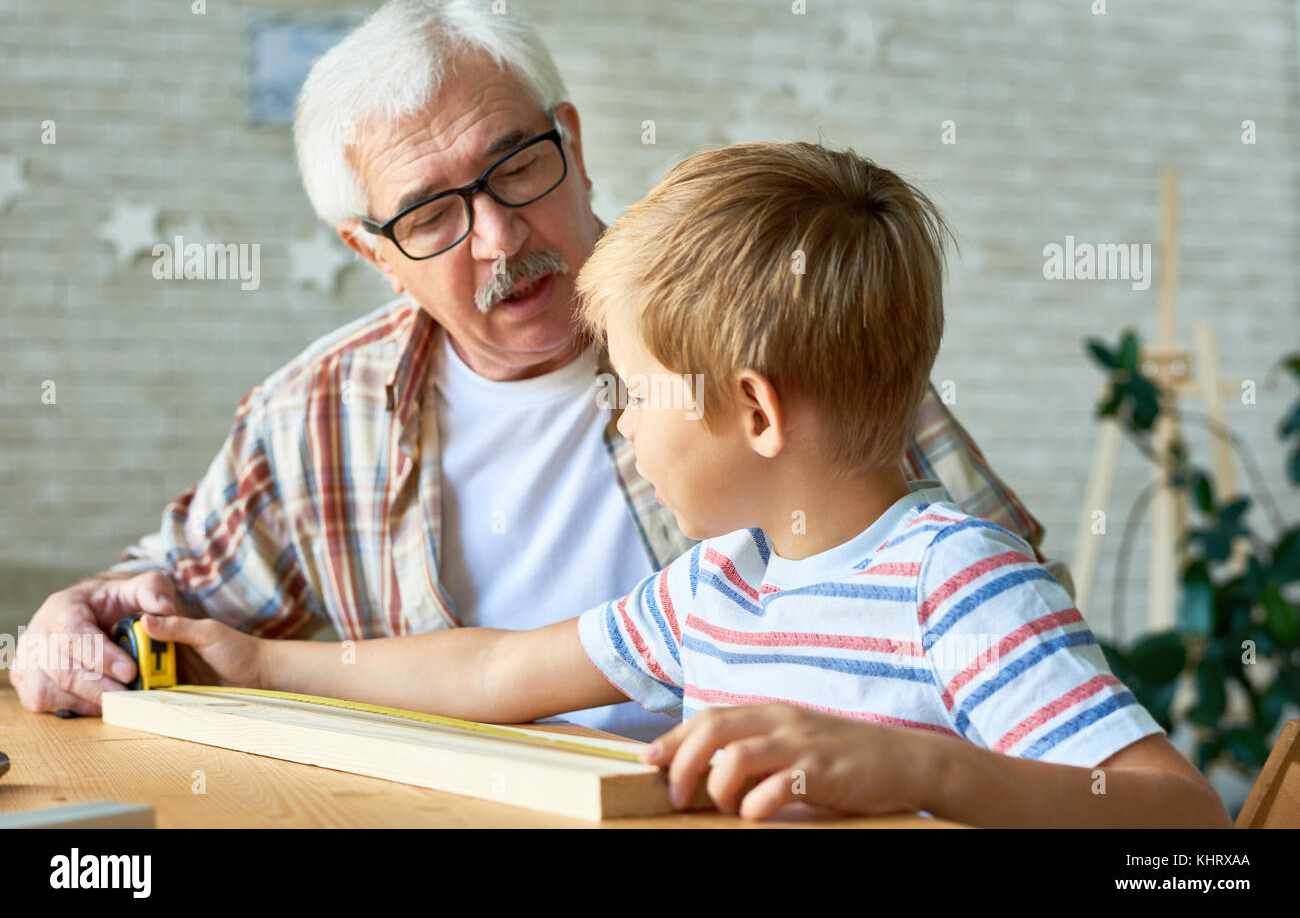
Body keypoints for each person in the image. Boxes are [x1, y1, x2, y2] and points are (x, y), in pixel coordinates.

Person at [14, 0, 1061, 744]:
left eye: (516, 164)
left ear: (572, 139)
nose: (499, 234)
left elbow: (996, 600)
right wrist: (76, 619)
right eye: (429, 213)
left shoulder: (763, 326)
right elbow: (189, 604)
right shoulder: (315, 414)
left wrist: (915, 769)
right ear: (370, 254)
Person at [141, 141, 1231, 826]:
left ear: (753, 412)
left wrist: (914, 771)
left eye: (634, 389)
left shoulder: (959, 584)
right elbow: (486, 671)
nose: (617, 418)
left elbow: (1178, 824)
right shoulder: (714, 588)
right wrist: (258, 662)